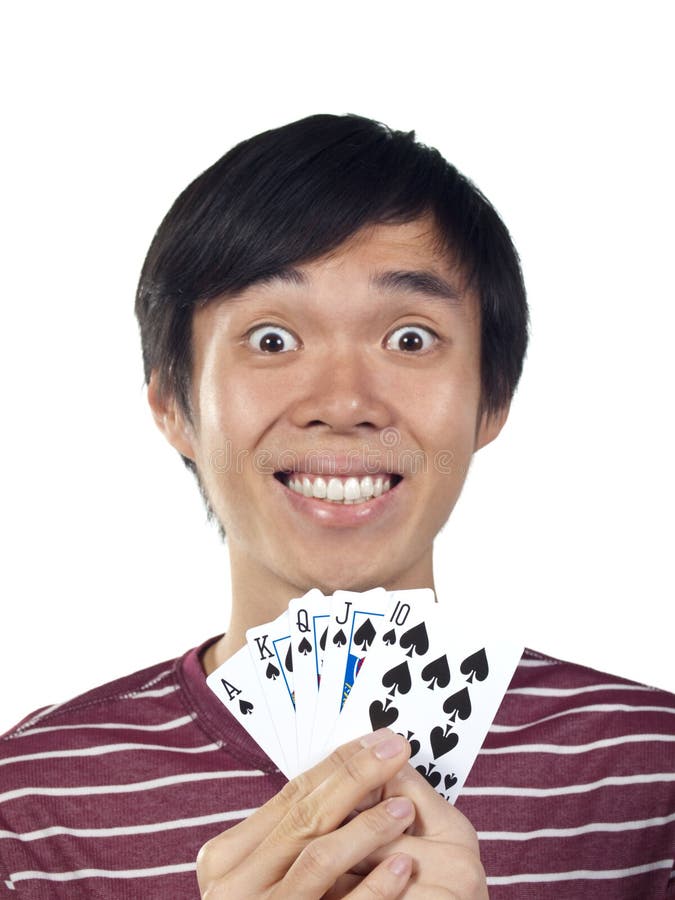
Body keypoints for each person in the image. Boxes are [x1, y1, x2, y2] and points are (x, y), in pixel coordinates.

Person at [1, 114, 673, 899]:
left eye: (410, 339)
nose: (344, 403)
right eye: (272, 340)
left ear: (491, 401)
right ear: (173, 407)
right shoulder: (32, 806)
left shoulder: (651, 778)